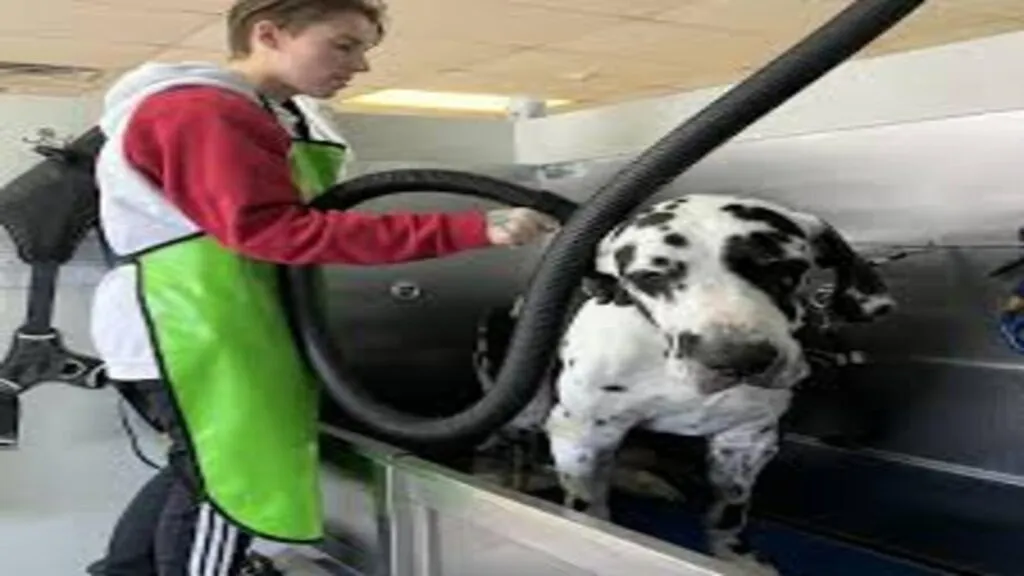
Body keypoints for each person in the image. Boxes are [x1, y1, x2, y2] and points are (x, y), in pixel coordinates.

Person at [85, 0, 558, 574]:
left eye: (364, 50)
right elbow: (274, 230)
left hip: (213, 322)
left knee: (204, 471)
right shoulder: (201, 111)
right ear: (269, 34)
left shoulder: (265, 112)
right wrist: (470, 228)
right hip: (190, 328)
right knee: (231, 490)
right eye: (343, 44)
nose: (358, 65)